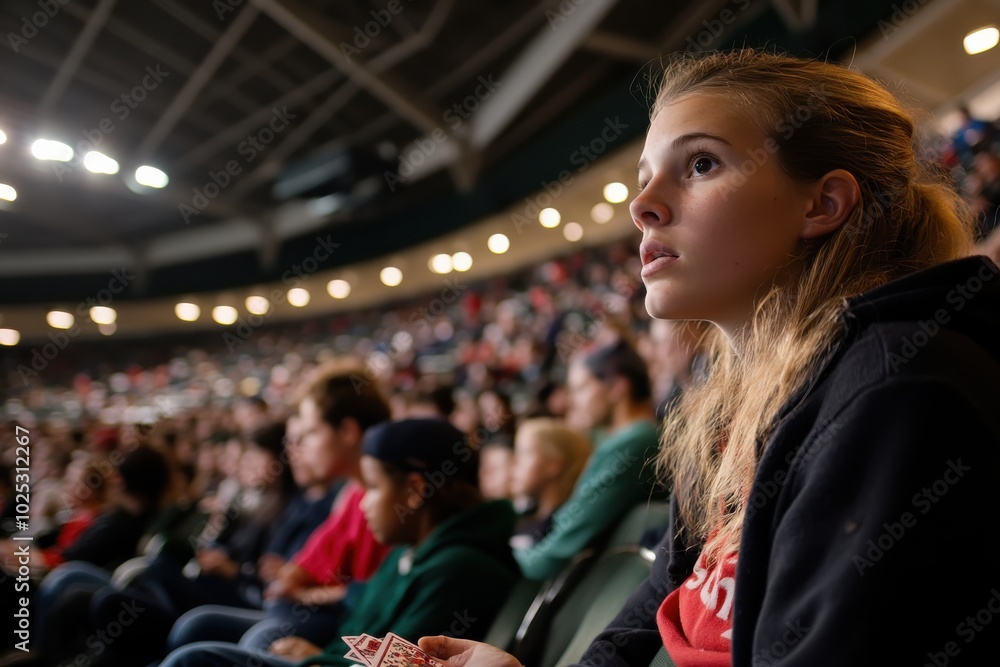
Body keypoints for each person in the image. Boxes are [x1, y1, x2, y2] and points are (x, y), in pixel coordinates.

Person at [416, 49, 1000, 666]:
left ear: (822, 204)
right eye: (645, 176)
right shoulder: (733, 399)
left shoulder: (899, 387)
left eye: (700, 163)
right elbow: (663, 596)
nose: (642, 206)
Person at [159, 418, 520, 667]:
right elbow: (361, 637)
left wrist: (316, 660)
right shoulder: (408, 553)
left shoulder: (458, 568)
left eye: (374, 488)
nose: (362, 504)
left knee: (195, 659)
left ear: (414, 491)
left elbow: (400, 660)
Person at [162, 361, 392, 653]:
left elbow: (374, 602)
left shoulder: (386, 501)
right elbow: (306, 564)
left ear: (347, 431)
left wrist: (306, 596)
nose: (299, 450)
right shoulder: (352, 493)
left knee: (250, 640)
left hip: (346, 633)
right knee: (196, 625)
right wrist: (296, 583)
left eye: (308, 434)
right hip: (308, 617)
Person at [514, 338, 663, 581]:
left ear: (617, 387)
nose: (573, 401)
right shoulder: (626, 437)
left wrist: (518, 560)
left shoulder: (635, 443)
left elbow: (563, 544)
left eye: (581, 388)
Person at [508, 418, 591, 549]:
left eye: (525, 453)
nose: (514, 463)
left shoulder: (564, 528)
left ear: (555, 465)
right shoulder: (519, 519)